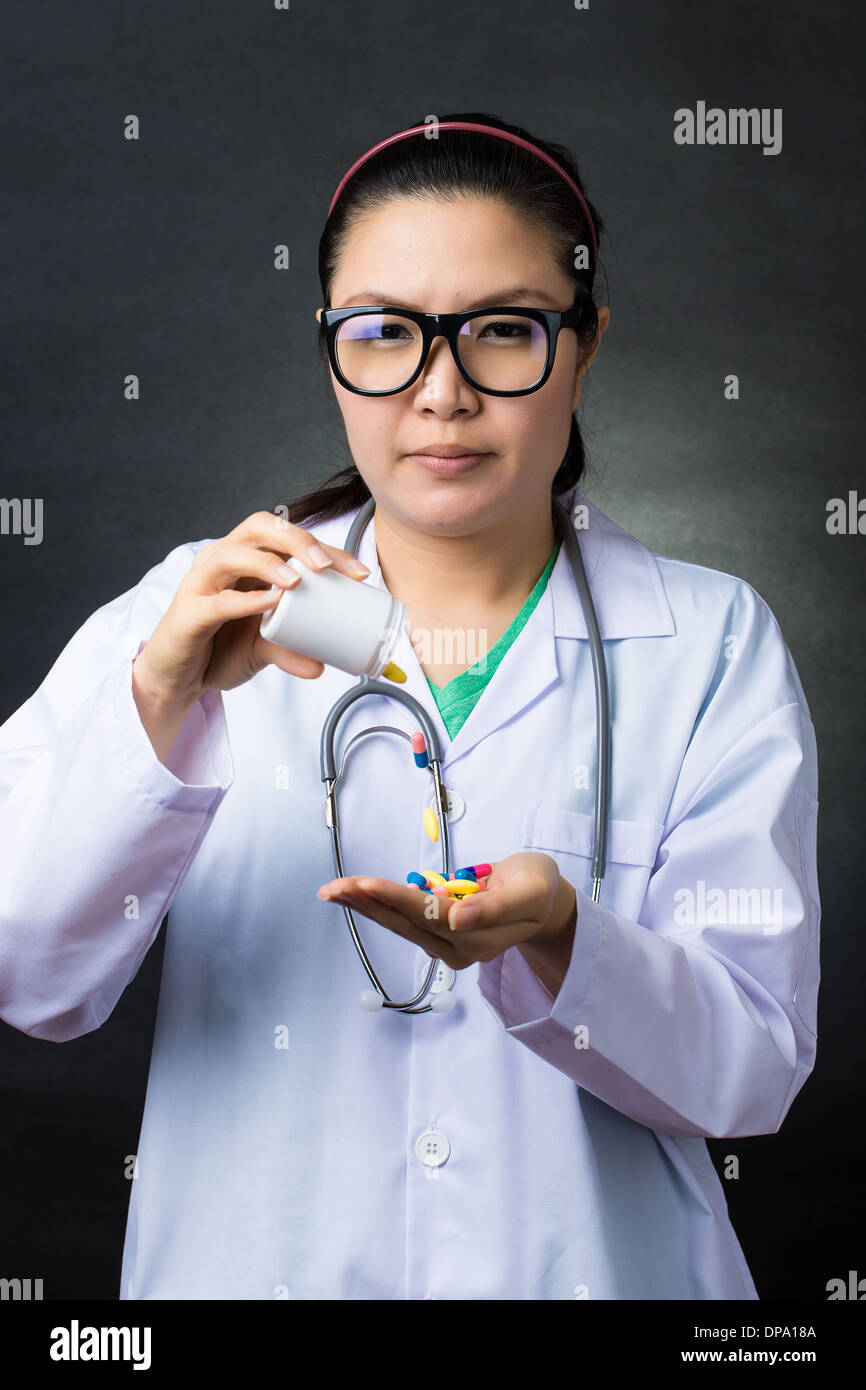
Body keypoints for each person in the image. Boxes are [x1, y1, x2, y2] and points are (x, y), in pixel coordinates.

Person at [0, 111, 820, 1300]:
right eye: (383, 334)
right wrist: (160, 702)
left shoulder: (708, 641)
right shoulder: (183, 613)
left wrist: (560, 938)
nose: (440, 392)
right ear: (331, 347)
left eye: (501, 330)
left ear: (583, 346)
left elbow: (748, 1073)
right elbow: (32, 983)